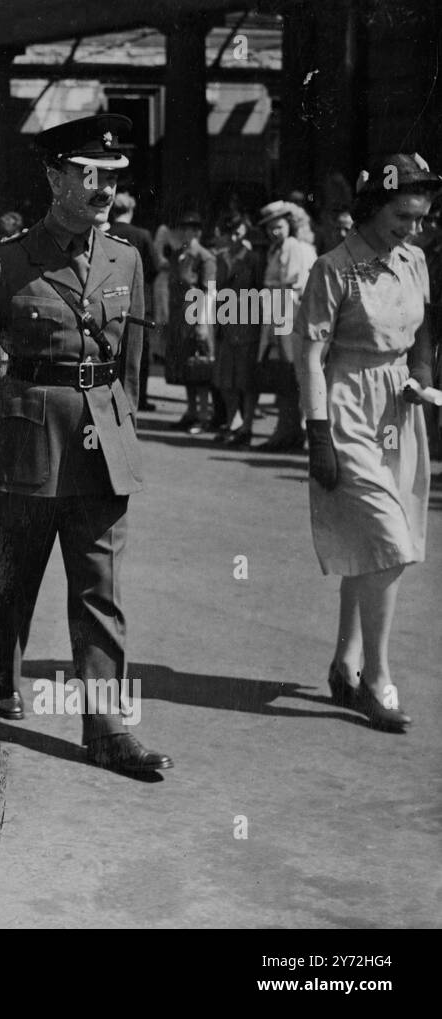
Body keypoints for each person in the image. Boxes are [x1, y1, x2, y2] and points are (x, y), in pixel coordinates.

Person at [0, 113, 173, 775]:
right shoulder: (9, 261)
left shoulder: (126, 257)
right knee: (8, 570)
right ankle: (2, 670)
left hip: (101, 440)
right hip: (26, 439)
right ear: (54, 177)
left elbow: (131, 355)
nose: (102, 185)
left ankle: (106, 729)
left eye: (111, 174)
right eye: (87, 172)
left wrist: (123, 425)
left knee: (99, 587)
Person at [296, 152, 439, 733]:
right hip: (347, 403)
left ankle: (344, 664)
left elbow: (424, 323)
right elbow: (307, 352)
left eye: (423, 218)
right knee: (390, 540)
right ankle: (377, 679)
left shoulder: (413, 259)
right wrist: (316, 432)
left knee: (374, 545)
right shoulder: (334, 268)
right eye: (404, 217)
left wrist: (423, 376)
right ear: (373, 208)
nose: (415, 228)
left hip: (398, 408)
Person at [256, 200, 318, 451]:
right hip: (279, 312)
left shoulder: (294, 247)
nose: (274, 231)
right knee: (285, 376)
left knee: (292, 374)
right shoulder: (276, 248)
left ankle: (292, 432)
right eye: (270, 228)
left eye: (279, 226)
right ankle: (287, 430)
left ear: (290, 225)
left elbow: (294, 286)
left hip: (289, 313)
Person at [210, 211, 265, 445]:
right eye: (230, 232)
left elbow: (262, 291)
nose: (234, 237)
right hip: (224, 322)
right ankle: (232, 421)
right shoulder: (219, 258)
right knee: (226, 379)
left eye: (238, 233)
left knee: (246, 379)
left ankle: (248, 426)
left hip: (247, 324)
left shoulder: (253, 259)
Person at [162, 210, 218, 433]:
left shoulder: (205, 257)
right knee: (185, 365)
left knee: (200, 367)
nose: (186, 233)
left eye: (191, 229)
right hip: (179, 317)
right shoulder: (178, 255)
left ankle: (204, 414)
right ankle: (191, 410)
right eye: (182, 229)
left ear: (198, 232)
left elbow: (209, 292)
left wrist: (203, 323)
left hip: (196, 315)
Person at [107, 192, 158, 411]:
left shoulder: (105, 233)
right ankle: (138, 397)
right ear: (131, 210)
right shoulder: (143, 235)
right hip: (138, 298)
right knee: (138, 349)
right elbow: (154, 268)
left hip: (109, 298)